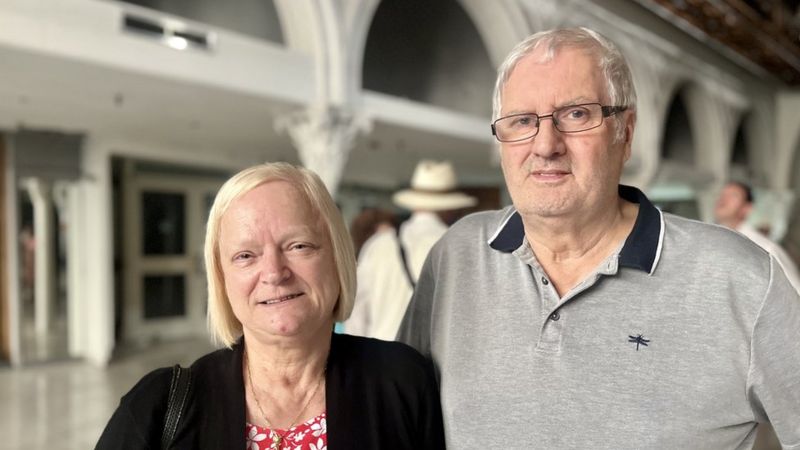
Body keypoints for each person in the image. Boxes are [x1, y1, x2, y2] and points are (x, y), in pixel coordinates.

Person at [398, 27, 800, 449]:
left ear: (624, 132)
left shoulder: (737, 277)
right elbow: (400, 417)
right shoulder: (458, 255)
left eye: (576, 115)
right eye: (521, 121)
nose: (546, 145)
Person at [96, 162, 445, 449]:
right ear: (222, 278)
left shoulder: (404, 382)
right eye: (246, 256)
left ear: (337, 258)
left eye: (298, 246)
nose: (274, 273)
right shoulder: (157, 408)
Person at [346, 160, 476, 340]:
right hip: (431, 360)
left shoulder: (379, 244)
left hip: (380, 356)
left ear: (415, 202)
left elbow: (357, 310)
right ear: (450, 207)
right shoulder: (457, 245)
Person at [714, 180, 800, 292]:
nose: (723, 199)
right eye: (722, 194)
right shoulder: (709, 241)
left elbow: (795, 291)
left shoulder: (765, 249)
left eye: (733, 196)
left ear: (747, 208)